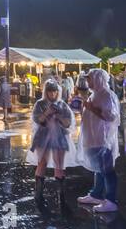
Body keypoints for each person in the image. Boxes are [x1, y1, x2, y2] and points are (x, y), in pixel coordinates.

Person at [76, 68, 120, 213]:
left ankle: (111, 200)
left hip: (103, 140)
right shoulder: (94, 95)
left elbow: (111, 117)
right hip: (93, 139)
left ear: (98, 79)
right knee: (99, 169)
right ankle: (96, 194)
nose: (87, 81)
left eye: (89, 78)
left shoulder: (107, 95)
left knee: (107, 170)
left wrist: (91, 108)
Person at [29, 80, 75, 214]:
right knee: (41, 163)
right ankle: (38, 194)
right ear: (46, 91)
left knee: (59, 164)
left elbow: (68, 123)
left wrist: (59, 115)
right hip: (42, 138)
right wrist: (47, 112)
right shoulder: (40, 104)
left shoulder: (62, 105)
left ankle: (60, 196)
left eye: (55, 91)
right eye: (50, 90)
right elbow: (38, 120)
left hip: (59, 138)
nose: (52, 93)